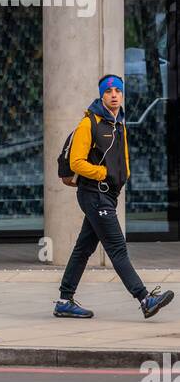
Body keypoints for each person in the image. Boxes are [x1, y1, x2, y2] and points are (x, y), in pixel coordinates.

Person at [54, 74, 174, 320]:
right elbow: (76, 161)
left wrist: (124, 174)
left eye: (118, 91)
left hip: (107, 195)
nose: (114, 95)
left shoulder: (118, 122)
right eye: (109, 92)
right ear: (101, 95)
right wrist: (103, 173)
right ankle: (144, 299)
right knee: (117, 248)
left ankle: (64, 300)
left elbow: (123, 157)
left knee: (83, 249)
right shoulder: (89, 123)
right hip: (94, 194)